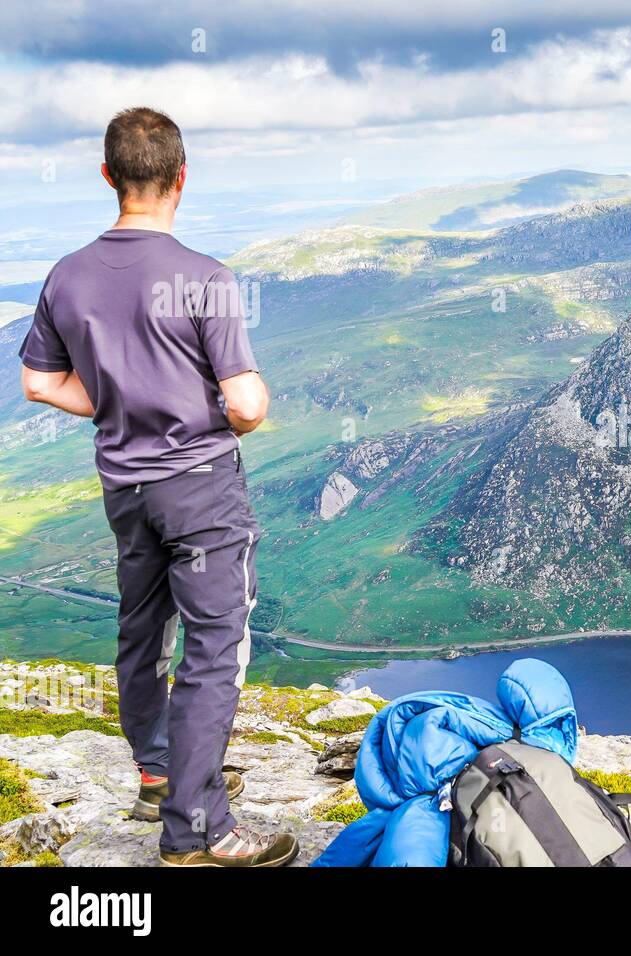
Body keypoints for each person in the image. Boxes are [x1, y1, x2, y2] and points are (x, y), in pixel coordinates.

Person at [19, 107, 296, 867]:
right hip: (200, 487)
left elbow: (39, 383)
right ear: (181, 179)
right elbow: (245, 404)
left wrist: (116, 403)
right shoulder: (204, 279)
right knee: (214, 647)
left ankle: (158, 777)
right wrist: (220, 414)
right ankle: (196, 832)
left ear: (109, 176)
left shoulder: (66, 275)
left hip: (126, 492)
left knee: (142, 634)